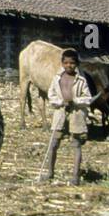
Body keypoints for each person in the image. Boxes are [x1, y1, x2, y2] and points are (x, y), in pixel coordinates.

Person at [37, 49, 92, 185]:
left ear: (77, 64)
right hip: (60, 113)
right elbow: (51, 95)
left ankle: (75, 176)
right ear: (62, 63)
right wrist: (61, 102)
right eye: (66, 63)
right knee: (54, 144)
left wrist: (75, 102)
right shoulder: (57, 79)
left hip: (76, 114)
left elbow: (87, 98)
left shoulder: (81, 80)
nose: (69, 65)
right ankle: (50, 172)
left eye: (72, 63)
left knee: (76, 144)